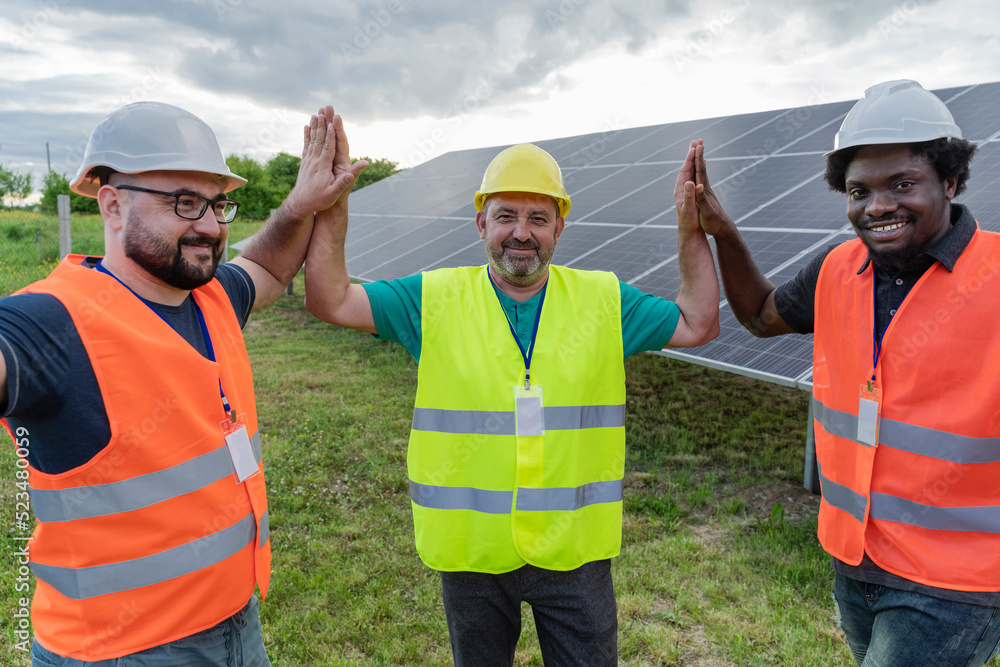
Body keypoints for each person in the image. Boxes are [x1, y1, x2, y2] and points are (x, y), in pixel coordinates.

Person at [303, 140, 720, 665]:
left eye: (538, 218)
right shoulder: (433, 299)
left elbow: (698, 321)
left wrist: (689, 228)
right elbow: (330, 298)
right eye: (506, 216)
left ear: (559, 228)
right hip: (472, 552)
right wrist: (331, 204)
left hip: (574, 552)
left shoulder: (604, 300)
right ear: (481, 223)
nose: (521, 233)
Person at [0, 100, 364, 665]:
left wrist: (300, 204)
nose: (212, 226)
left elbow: (266, 267)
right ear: (113, 205)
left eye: (218, 204)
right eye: (185, 203)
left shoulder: (211, 295)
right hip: (119, 651)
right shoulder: (51, 324)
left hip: (236, 626)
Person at [687, 79, 1000, 666]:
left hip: (956, 585)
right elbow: (758, 314)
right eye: (859, 191)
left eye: (902, 184)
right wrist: (723, 232)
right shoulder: (838, 268)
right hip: (854, 561)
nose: (877, 206)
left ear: (951, 181)